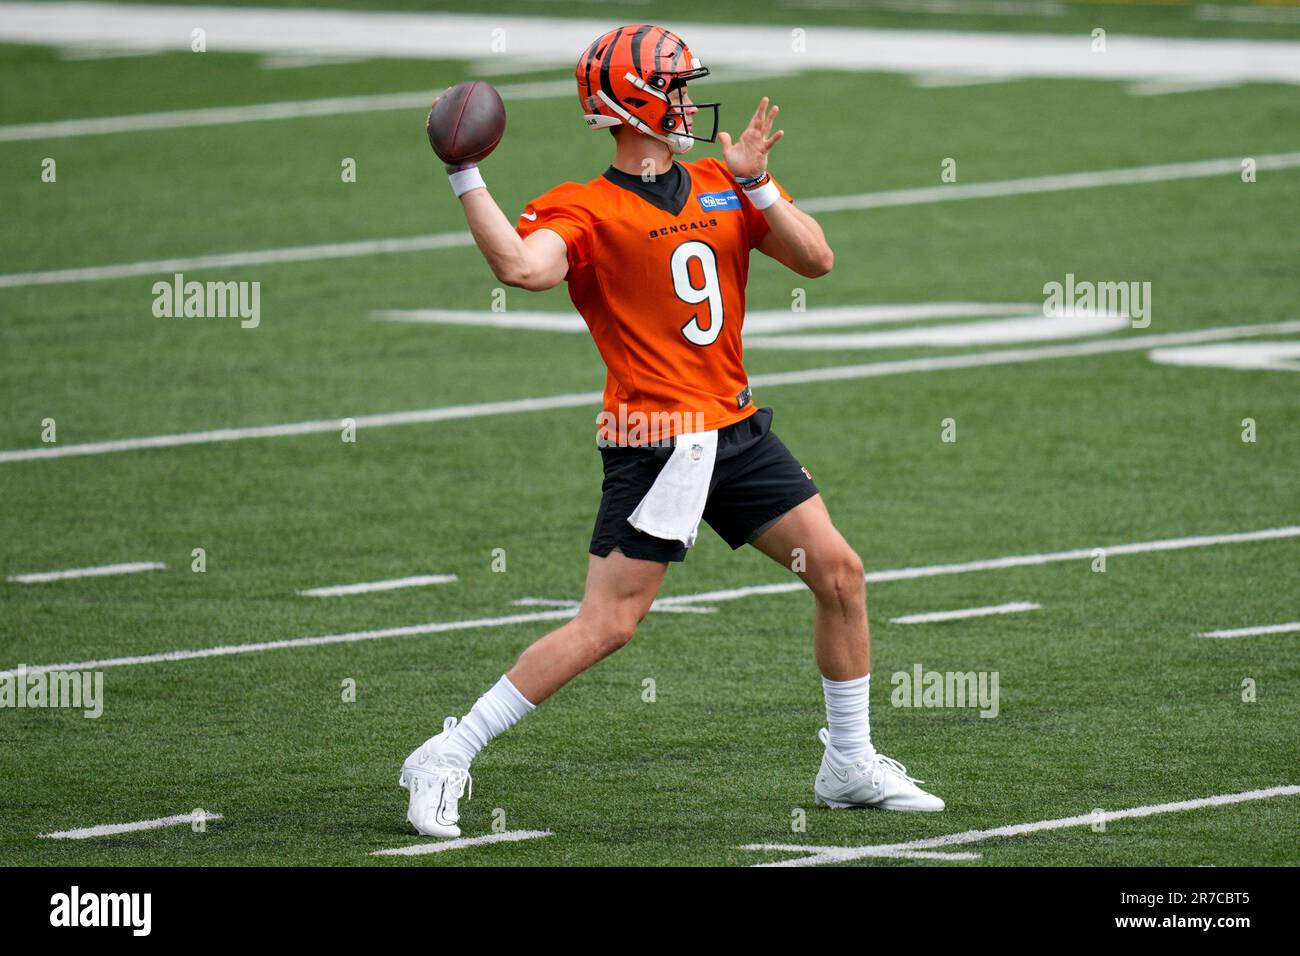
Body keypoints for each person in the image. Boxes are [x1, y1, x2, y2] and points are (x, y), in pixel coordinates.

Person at [401, 24, 943, 838]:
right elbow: (523, 268)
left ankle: (849, 764)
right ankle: (446, 752)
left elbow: (817, 259)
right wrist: (464, 173)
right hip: (656, 439)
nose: (690, 100)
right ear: (630, 103)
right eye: (675, 85)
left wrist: (758, 184)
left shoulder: (727, 183)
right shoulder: (584, 205)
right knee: (608, 625)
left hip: (736, 428)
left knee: (840, 574)